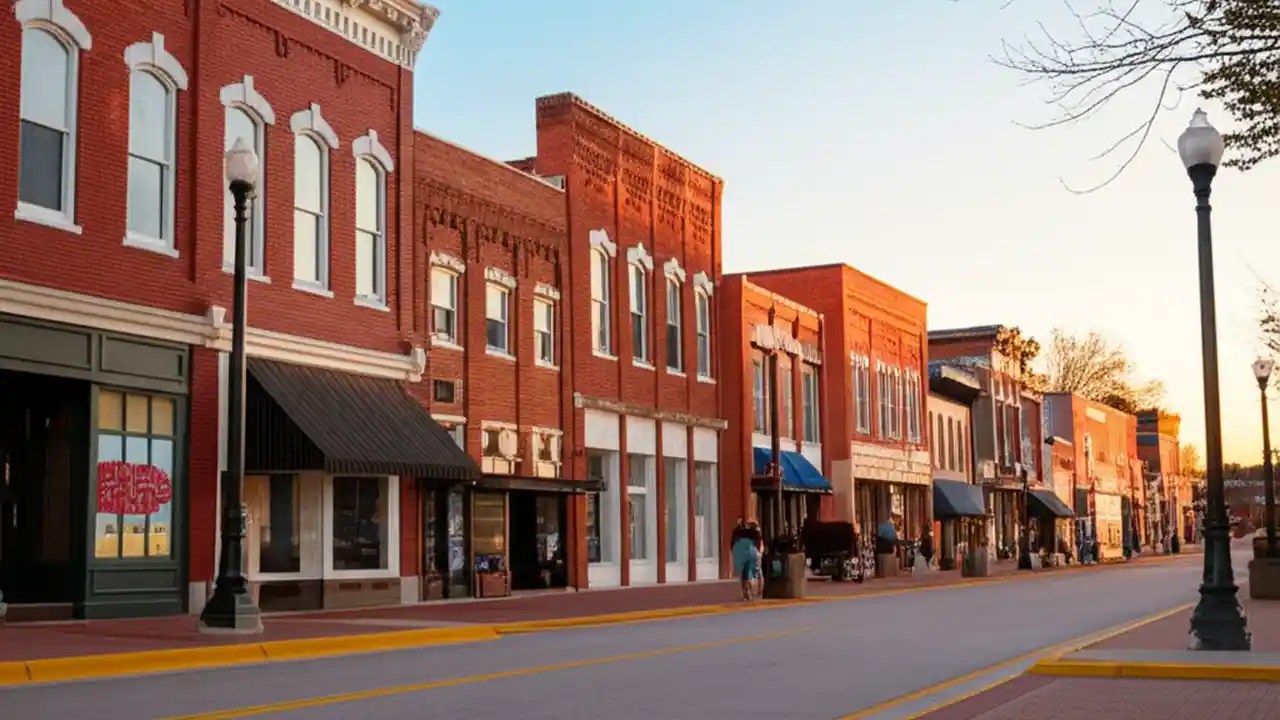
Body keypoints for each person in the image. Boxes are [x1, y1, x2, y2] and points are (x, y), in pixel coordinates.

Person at [731, 518, 761, 601]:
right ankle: (749, 591)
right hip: (749, 553)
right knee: (749, 572)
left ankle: (746, 591)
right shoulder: (755, 532)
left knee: (745, 572)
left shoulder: (741, 532)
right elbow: (757, 544)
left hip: (741, 553)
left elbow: (733, 541)